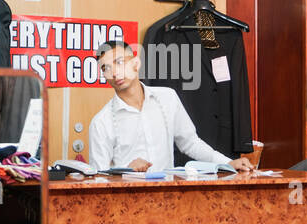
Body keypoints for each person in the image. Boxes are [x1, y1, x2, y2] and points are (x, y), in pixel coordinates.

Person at [88, 40, 254, 173]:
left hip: (168, 198)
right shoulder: (101, 123)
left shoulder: (167, 98)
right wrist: (125, 171)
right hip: (127, 201)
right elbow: (98, 178)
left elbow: (190, 143)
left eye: (119, 62)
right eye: (106, 68)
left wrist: (227, 163)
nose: (114, 73)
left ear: (136, 63)